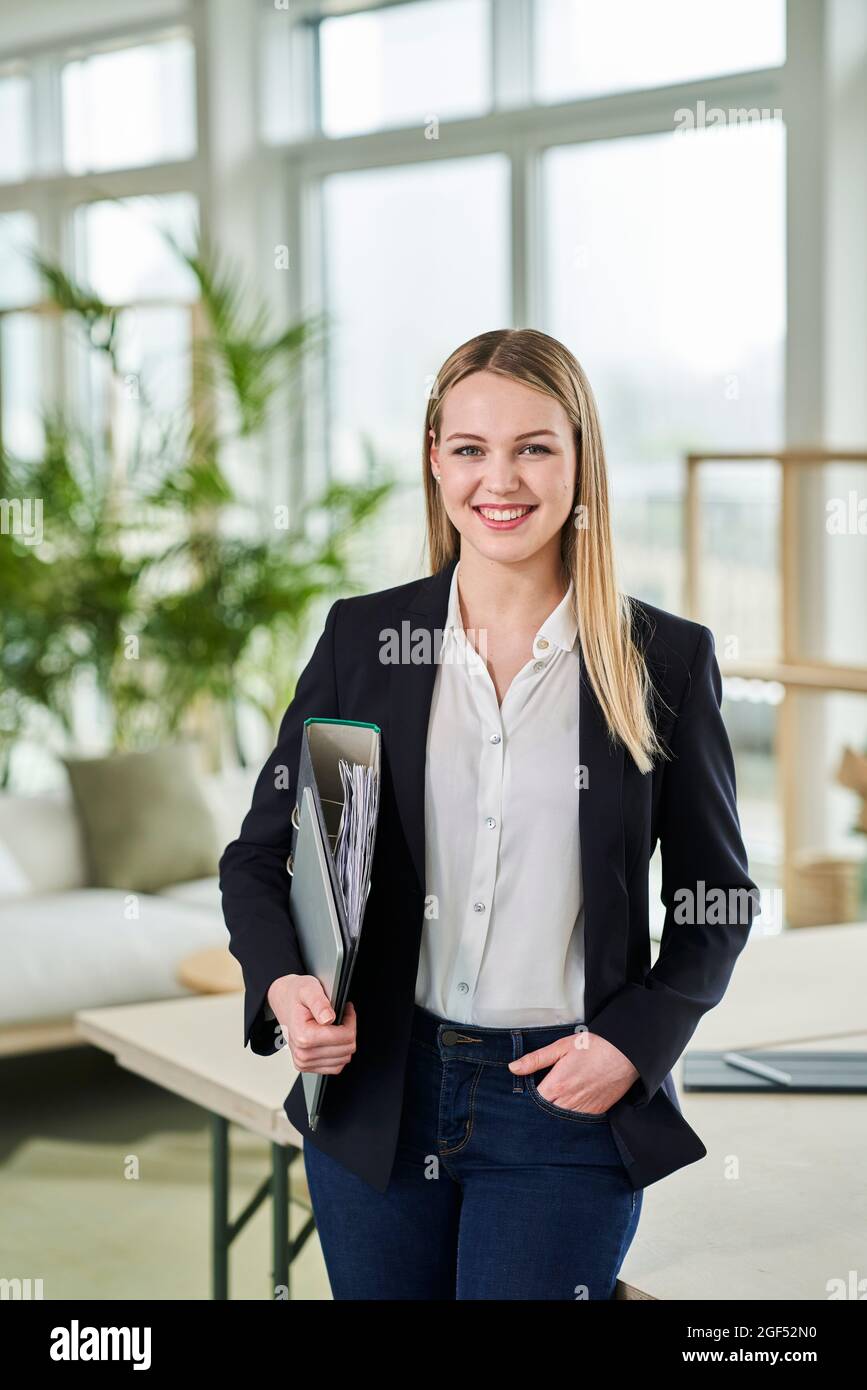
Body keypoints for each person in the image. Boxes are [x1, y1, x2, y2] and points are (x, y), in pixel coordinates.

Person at [219, 328, 759, 1301]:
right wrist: (284, 984)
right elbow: (259, 856)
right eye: (470, 448)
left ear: (580, 458)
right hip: (380, 1089)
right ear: (435, 459)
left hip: (559, 1100)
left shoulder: (663, 661)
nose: (498, 478)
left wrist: (633, 1044)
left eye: (534, 447)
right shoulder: (365, 640)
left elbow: (717, 895)